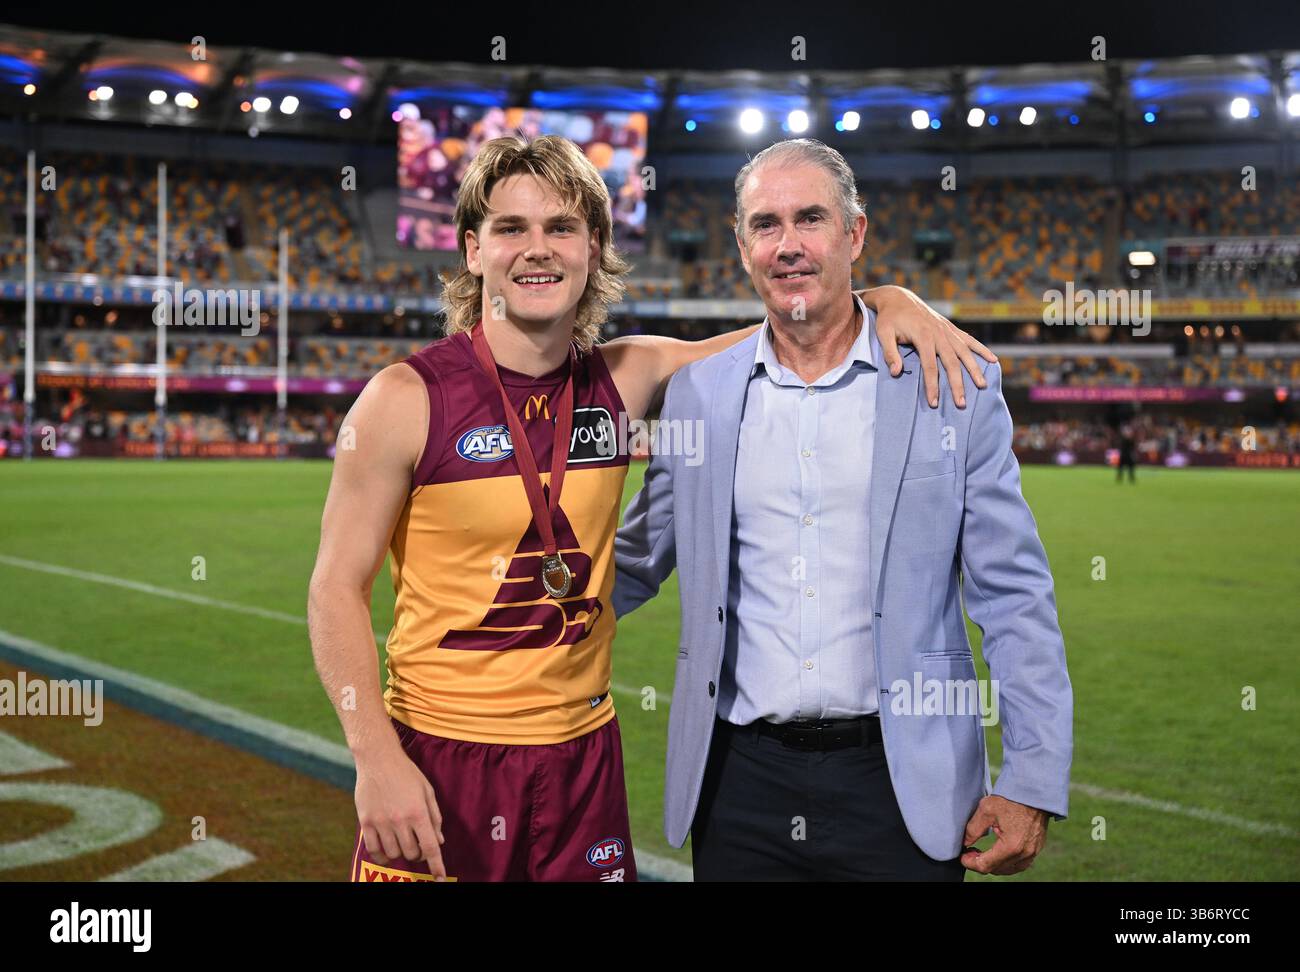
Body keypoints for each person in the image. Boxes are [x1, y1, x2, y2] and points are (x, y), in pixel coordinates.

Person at [308, 133, 993, 883]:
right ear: (473, 249)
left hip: (583, 761)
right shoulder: (403, 400)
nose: (537, 250)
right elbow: (336, 587)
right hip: (440, 756)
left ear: (594, 247)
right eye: (511, 228)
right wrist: (375, 759)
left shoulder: (630, 376)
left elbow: (799, 331)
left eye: (561, 228)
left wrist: (885, 299)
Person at [614, 138, 1073, 881]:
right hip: (738, 785)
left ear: (855, 233)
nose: (788, 244)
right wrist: (501, 619)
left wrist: (1033, 775)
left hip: (901, 784)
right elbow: (635, 560)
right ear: (740, 244)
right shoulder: (700, 397)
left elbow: (1014, 593)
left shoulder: (952, 385)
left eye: (810, 219)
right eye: (765, 224)